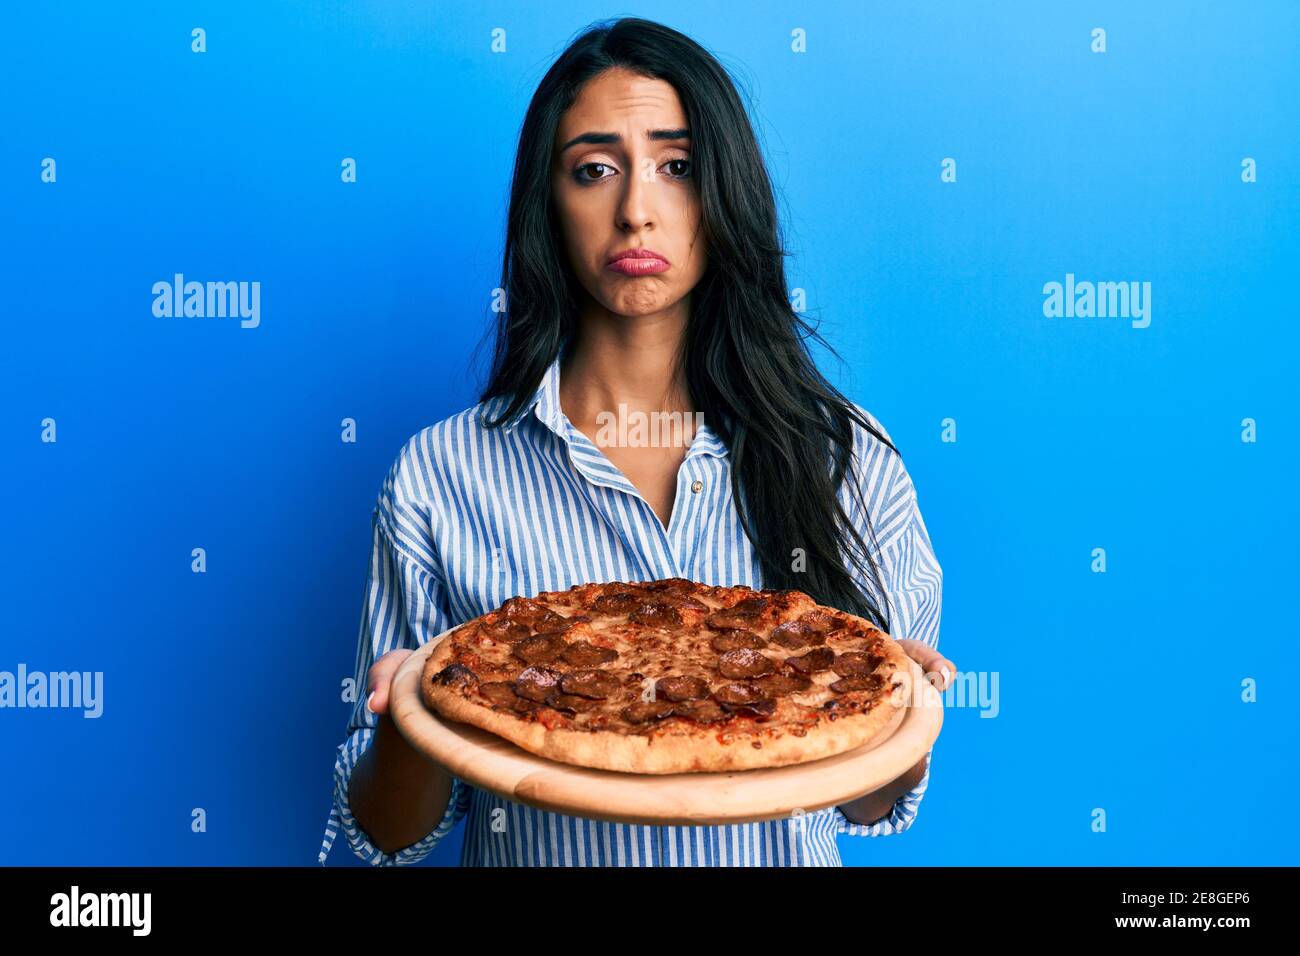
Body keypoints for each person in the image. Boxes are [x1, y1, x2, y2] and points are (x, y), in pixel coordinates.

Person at [319, 16, 953, 867]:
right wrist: (404, 722)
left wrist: (900, 718)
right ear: (549, 201)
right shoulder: (440, 475)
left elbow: (872, 803)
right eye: (595, 170)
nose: (636, 211)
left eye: (677, 167)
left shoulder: (844, 455)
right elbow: (387, 833)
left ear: (726, 190)